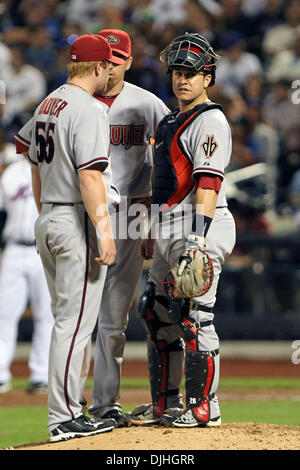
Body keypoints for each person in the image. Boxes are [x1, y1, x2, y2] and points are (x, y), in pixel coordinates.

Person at [124, 32, 236, 427]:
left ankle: (206, 407)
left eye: (192, 72)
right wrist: (153, 231)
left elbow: (207, 182)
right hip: (170, 225)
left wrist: (196, 240)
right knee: (155, 312)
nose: (182, 79)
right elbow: (163, 185)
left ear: (208, 77)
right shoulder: (172, 118)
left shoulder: (211, 119)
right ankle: (167, 404)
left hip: (200, 224)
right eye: (177, 71)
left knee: (194, 317)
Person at [20, 33, 120, 442]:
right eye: (107, 65)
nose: (110, 70)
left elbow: (27, 152)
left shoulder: (50, 101)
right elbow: (90, 174)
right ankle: (63, 418)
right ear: (97, 68)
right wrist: (104, 231)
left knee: (67, 321)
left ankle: (70, 411)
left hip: (49, 219)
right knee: (73, 324)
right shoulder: (89, 108)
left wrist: (47, 208)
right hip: (73, 221)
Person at [86, 28, 170, 426]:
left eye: (119, 59)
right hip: (83, 213)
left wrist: (153, 222)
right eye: (107, 58)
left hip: (132, 215)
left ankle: (104, 404)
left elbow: (168, 162)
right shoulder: (74, 99)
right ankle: (70, 407)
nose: (112, 65)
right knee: (77, 317)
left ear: (130, 61)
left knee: (113, 320)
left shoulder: (147, 103)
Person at [0, 156, 54, 395]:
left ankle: (41, 374)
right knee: (4, 313)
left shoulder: (53, 168)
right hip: (12, 247)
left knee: (46, 314)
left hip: (42, 248)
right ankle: (0, 373)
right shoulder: (11, 172)